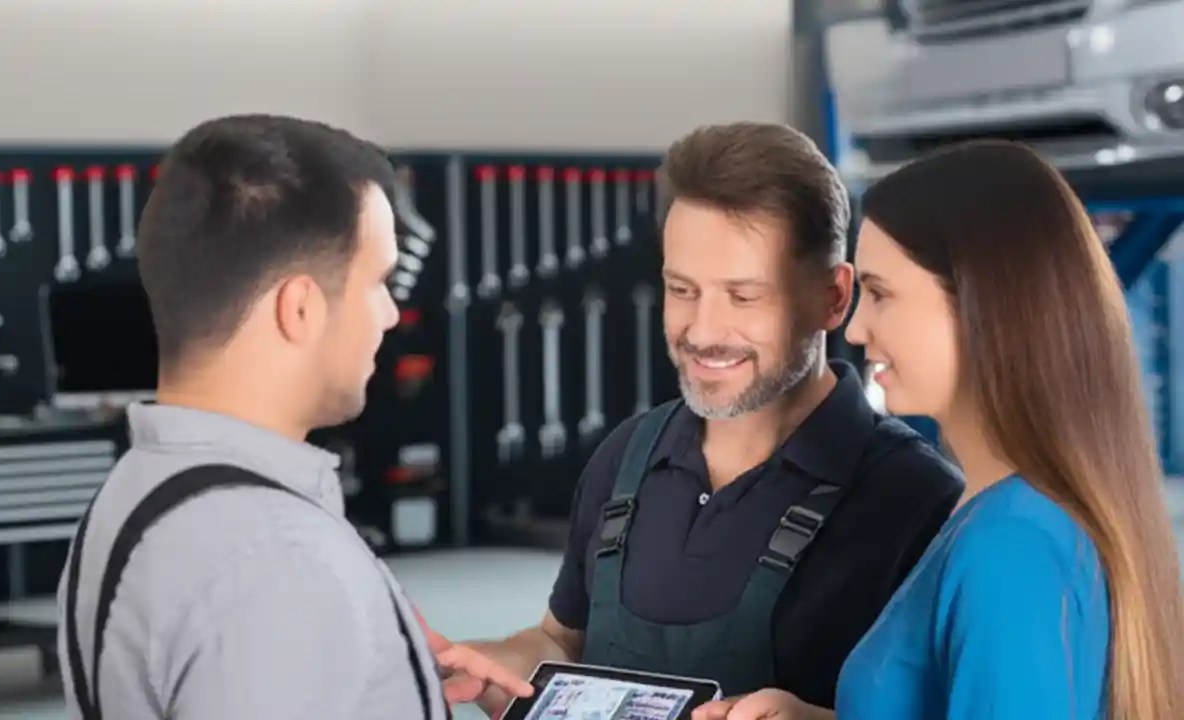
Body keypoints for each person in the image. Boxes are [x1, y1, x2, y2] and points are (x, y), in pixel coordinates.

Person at [430, 122, 965, 716]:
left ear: (833, 298)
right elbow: (561, 641)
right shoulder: (626, 457)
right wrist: (505, 664)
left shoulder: (917, 500)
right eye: (682, 290)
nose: (703, 331)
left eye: (743, 296)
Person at [694, 141, 1184, 720]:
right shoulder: (1005, 516)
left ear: (982, 305)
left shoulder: (1011, 545)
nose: (855, 329)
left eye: (880, 293)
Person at [55, 115, 524, 719]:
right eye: (378, 283)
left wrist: (384, 664)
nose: (389, 314)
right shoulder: (279, 561)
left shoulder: (135, 493)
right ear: (299, 308)